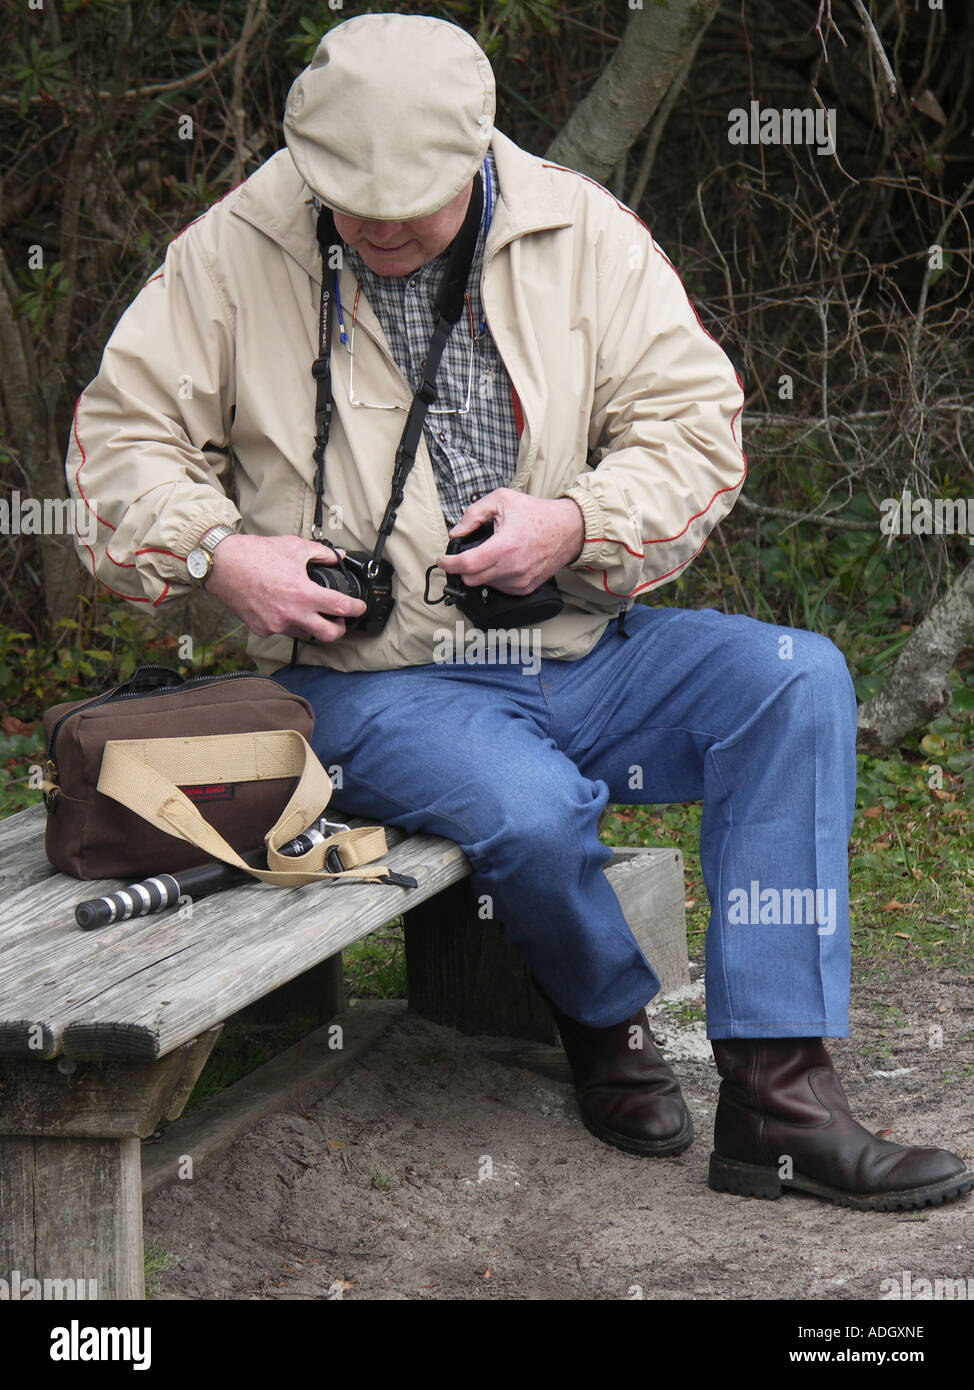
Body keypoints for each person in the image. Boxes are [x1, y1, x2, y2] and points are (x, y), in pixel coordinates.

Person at [66, 13, 971, 1212]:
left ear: (478, 153)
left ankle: (778, 1101)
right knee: (529, 811)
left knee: (796, 677)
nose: (381, 227)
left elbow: (695, 426)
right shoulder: (232, 249)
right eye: (351, 202)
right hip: (373, 683)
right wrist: (225, 552)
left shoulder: (581, 228)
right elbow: (119, 445)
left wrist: (578, 525)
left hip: (581, 643)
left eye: (414, 204)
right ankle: (603, 1020)